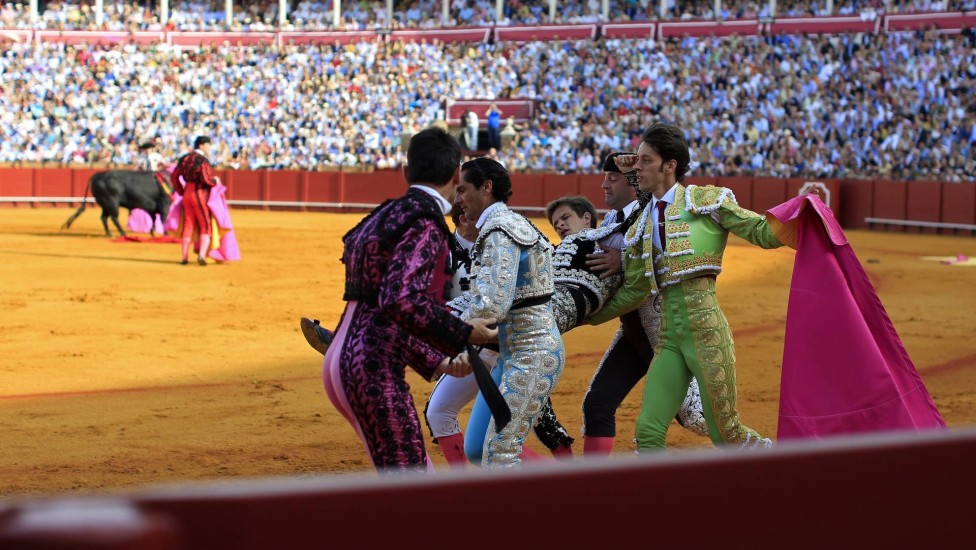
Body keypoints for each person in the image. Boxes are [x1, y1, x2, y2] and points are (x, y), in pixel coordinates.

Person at [589, 122, 784, 451]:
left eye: (646, 160)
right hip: (669, 339)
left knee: (727, 434)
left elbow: (763, 233)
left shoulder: (705, 202)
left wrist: (802, 213)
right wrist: (585, 316)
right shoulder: (640, 222)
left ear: (670, 166)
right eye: (636, 160)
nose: (636, 167)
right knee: (648, 432)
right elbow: (635, 291)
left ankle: (778, 464)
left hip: (706, 331)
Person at [322, 126, 497, 473]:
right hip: (373, 367)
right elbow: (399, 300)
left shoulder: (383, 215)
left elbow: (383, 306)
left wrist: (437, 361)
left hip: (340, 361)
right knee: (413, 487)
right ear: (454, 176)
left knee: (409, 477)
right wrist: (462, 333)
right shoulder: (425, 223)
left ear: (405, 172)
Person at [448, 156, 564, 469]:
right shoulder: (510, 222)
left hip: (532, 353)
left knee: (498, 454)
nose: (457, 199)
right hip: (513, 352)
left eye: (462, 190)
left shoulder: (498, 230)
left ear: (486, 188)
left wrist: (438, 324)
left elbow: (490, 305)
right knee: (476, 450)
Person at [170, 136, 218, 266]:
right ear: (201, 146)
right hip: (200, 194)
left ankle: (184, 257)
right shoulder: (202, 160)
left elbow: (174, 176)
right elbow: (206, 179)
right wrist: (215, 182)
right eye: (208, 145)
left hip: (187, 193)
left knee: (188, 224)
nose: (209, 147)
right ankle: (202, 255)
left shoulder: (184, 158)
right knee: (205, 224)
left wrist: (181, 191)